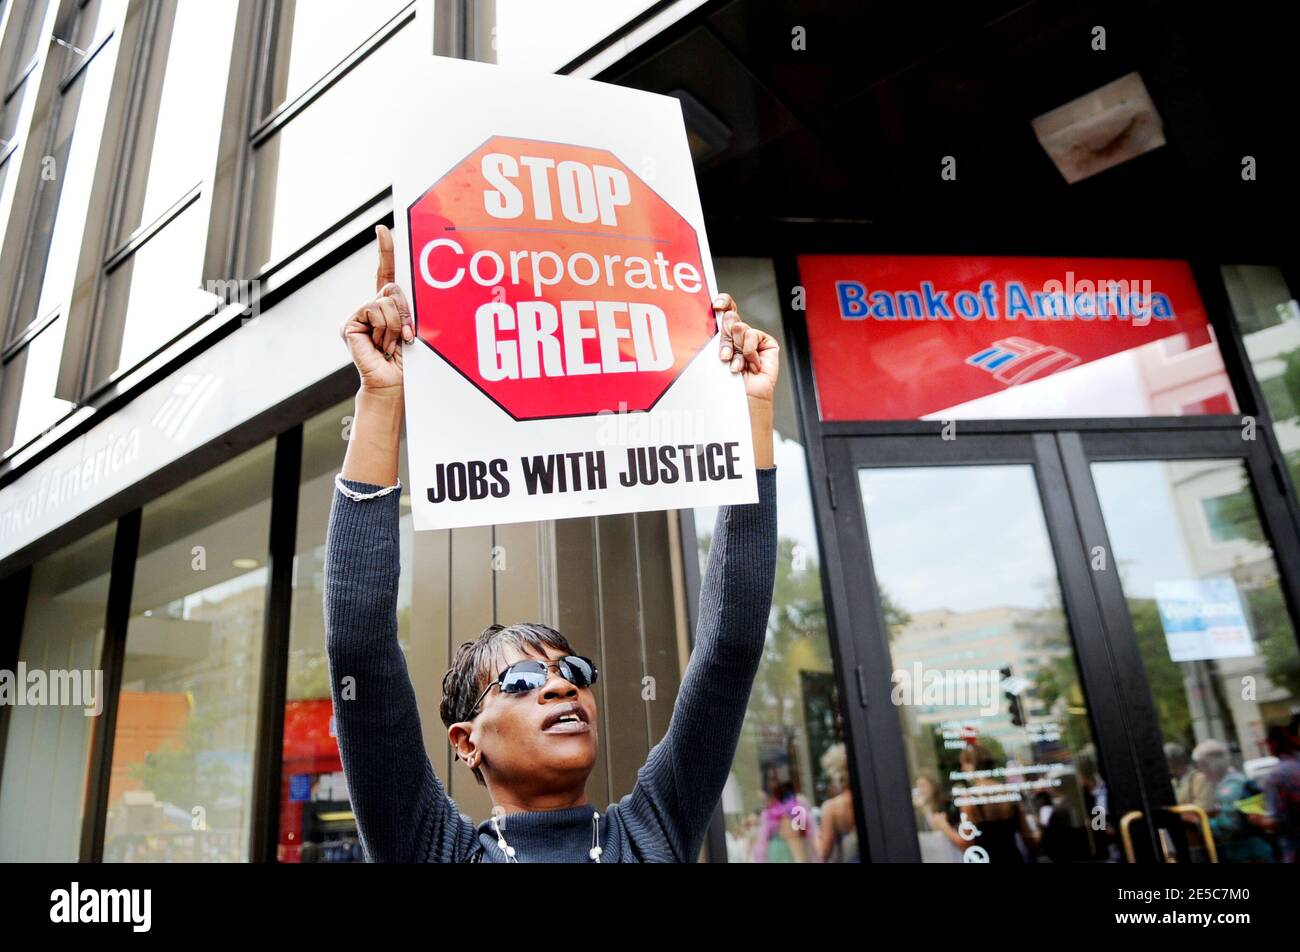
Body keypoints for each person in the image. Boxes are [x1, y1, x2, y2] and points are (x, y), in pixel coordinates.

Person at [324, 225, 779, 862]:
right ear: (465, 742)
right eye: (519, 680)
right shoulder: (435, 852)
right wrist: (381, 395)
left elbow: (728, 649)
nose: (562, 687)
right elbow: (360, 648)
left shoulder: (651, 832)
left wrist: (749, 416)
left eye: (575, 672)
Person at [1193, 739, 1272, 863]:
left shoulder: (1229, 789)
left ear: (1213, 764)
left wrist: (1199, 822)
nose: (1200, 770)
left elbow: (1230, 826)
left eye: (1203, 764)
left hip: (1247, 854)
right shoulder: (1234, 781)